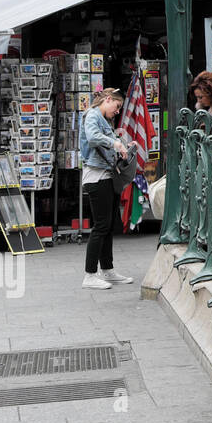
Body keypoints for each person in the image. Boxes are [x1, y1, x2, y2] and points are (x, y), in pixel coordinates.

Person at [80, 88, 134, 289]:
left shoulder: (101, 118)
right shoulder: (92, 115)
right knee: (102, 225)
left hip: (104, 175)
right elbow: (93, 137)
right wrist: (116, 144)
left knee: (108, 225)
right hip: (96, 176)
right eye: (117, 106)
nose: (117, 111)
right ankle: (90, 274)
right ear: (108, 99)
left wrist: (124, 146)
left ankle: (107, 269)